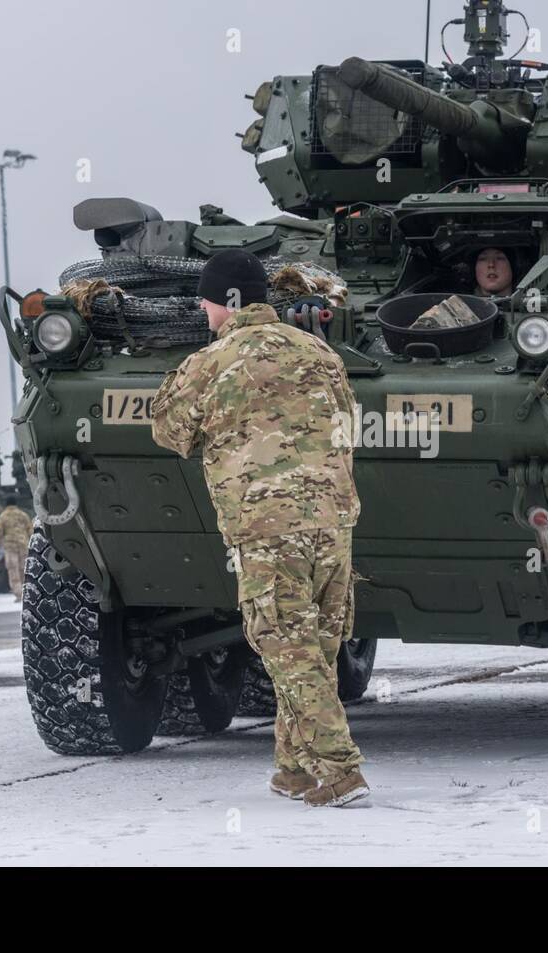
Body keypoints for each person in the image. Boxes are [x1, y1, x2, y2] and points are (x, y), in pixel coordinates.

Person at [149, 248, 369, 808]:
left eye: (204, 301)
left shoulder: (213, 360)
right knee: (313, 647)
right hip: (333, 522)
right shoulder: (320, 351)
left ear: (225, 302)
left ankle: (340, 769)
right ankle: (293, 769)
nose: (202, 312)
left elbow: (169, 431)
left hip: (270, 527)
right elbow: (349, 421)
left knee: (284, 645)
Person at [0, 497, 33, 601]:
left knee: (13, 570)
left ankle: (19, 594)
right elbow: (30, 530)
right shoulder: (23, 515)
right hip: (24, 545)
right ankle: (28, 593)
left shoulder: (3, 516)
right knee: (25, 569)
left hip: (10, 547)